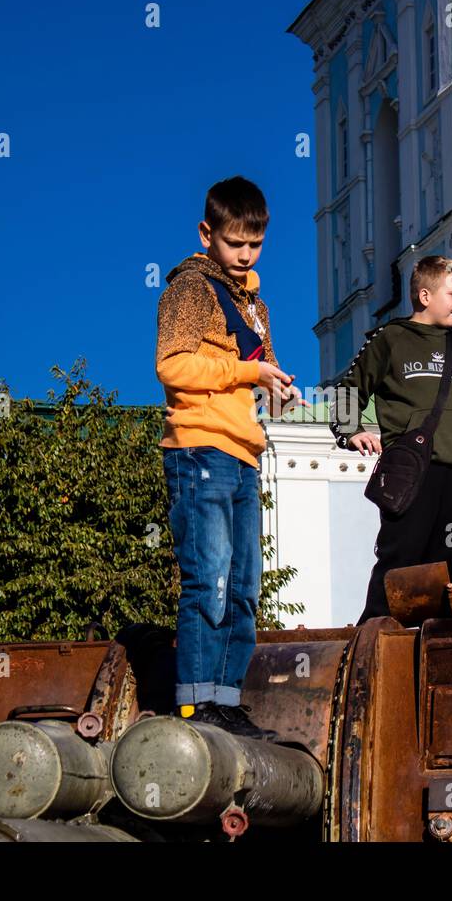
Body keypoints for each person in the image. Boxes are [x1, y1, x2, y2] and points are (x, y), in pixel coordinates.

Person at [155, 175, 300, 740]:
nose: (245, 254)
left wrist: (277, 393)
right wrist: (249, 372)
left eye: (255, 244)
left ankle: (225, 700)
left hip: (243, 453)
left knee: (242, 586)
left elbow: (261, 384)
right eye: (235, 242)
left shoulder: (255, 307)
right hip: (199, 449)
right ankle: (194, 705)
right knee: (208, 581)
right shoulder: (189, 291)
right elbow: (173, 367)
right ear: (206, 233)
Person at [330, 255, 452, 622]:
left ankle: (439, 647)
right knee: (401, 560)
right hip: (412, 471)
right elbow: (349, 389)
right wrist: (351, 432)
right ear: (426, 295)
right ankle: (375, 641)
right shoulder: (390, 339)